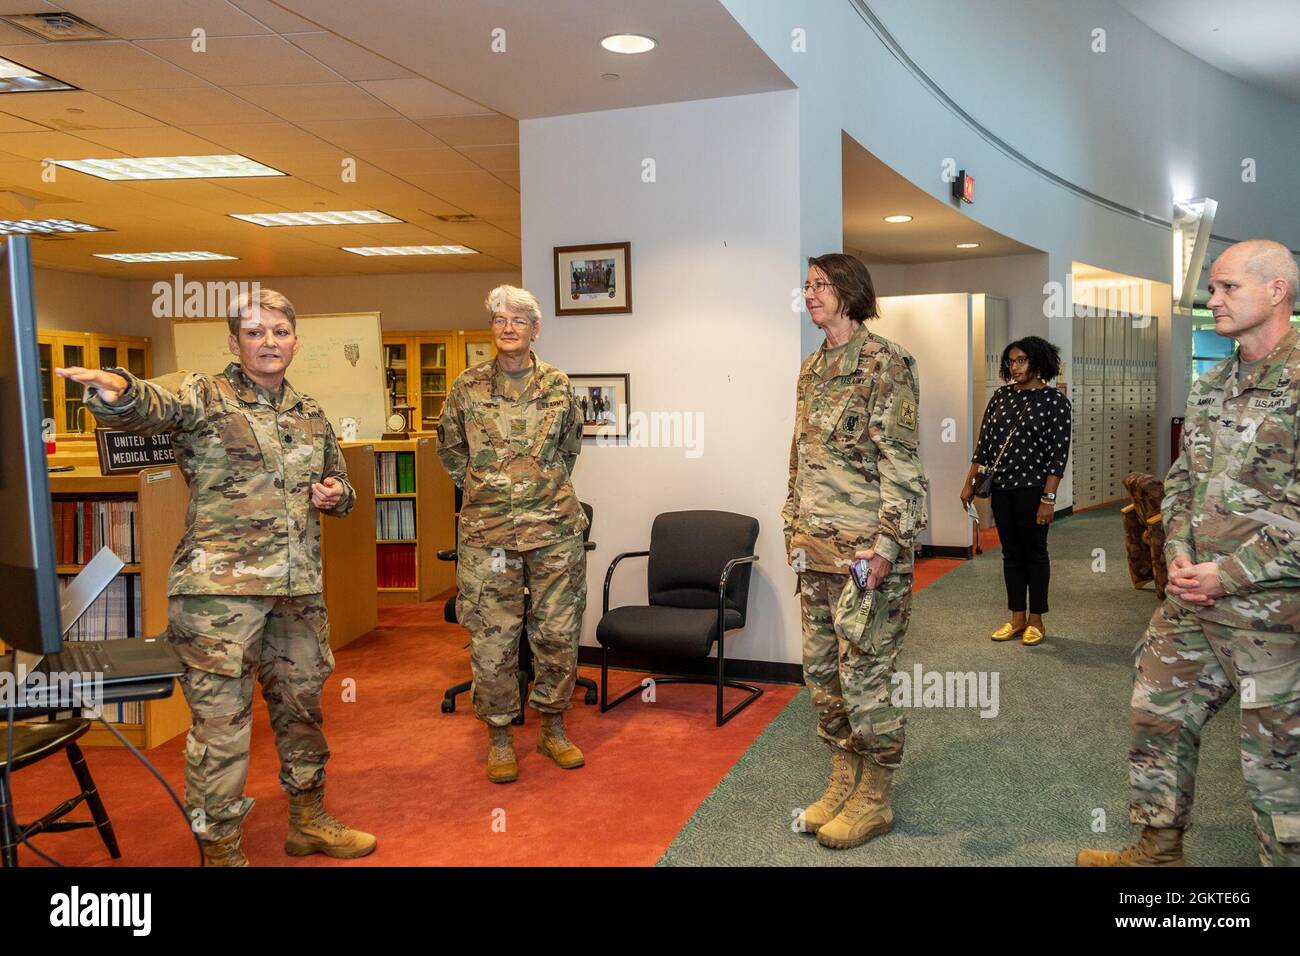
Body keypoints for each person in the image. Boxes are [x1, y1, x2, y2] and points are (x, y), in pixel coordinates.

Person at [57, 289, 376, 867]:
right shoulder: (206, 396)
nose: (269, 342)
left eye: (280, 332)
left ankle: (308, 819)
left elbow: (342, 486)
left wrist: (337, 495)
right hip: (217, 599)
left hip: (297, 593)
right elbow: (155, 406)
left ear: (295, 341)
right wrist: (118, 394)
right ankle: (221, 851)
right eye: (255, 333)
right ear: (236, 342)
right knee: (221, 728)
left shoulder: (309, 413)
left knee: (302, 709)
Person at [1078, 239, 1300, 867]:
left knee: (1275, 764)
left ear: (1277, 291)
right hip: (1191, 601)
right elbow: (1180, 480)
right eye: (1213, 286)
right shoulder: (1210, 385)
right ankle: (1158, 848)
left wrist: (1228, 574)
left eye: (1228, 286)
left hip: (1273, 612)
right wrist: (1176, 550)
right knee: (1157, 711)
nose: (1213, 297)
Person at [783, 253, 929, 849]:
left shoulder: (886, 363)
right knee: (822, 676)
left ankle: (875, 797)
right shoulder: (811, 367)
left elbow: (902, 463)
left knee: (865, 675)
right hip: (813, 552)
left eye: (820, 284)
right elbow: (800, 456)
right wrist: (791, 522)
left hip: (865, 560)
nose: (809, 293)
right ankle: (842, 778)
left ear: (849, 292)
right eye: (808, 284)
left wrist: (886, 549)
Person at [436, 284, 588, 783]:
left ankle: (553, 727)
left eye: (518, 320)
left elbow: (569, 450)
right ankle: (500, 736)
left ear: (535, 329)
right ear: (492, 329)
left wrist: (536, 489)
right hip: (489, 537)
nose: (508, 327)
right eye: (499, 319)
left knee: (557, 634)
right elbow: (451, 451)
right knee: (494, 639)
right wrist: (491, 489)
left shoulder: (560, 386)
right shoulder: (466, 387)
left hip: (553, 532)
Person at [960, 336, 1072, 645]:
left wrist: (1048, 500)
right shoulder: (1001, 397)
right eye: (1011, 361)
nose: (1015, 366)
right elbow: (984, 446)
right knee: (1010, 555)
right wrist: (969, 482)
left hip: (1034, 490)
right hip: (1003, 489)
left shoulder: (1055, 402)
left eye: (1021, 360)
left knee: (1034, 554)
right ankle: (1016, 618)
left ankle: (1037, 620)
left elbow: (1057, 456)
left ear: (1038, 362)